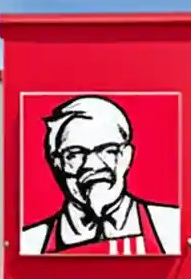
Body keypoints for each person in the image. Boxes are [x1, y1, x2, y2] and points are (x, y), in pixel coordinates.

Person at [20, 95, 180, 256]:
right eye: (75, 154)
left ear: (127, 156)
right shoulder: (31, 243)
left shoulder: (171, 227)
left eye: (108, 150)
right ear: (57, 162)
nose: (92, 165)